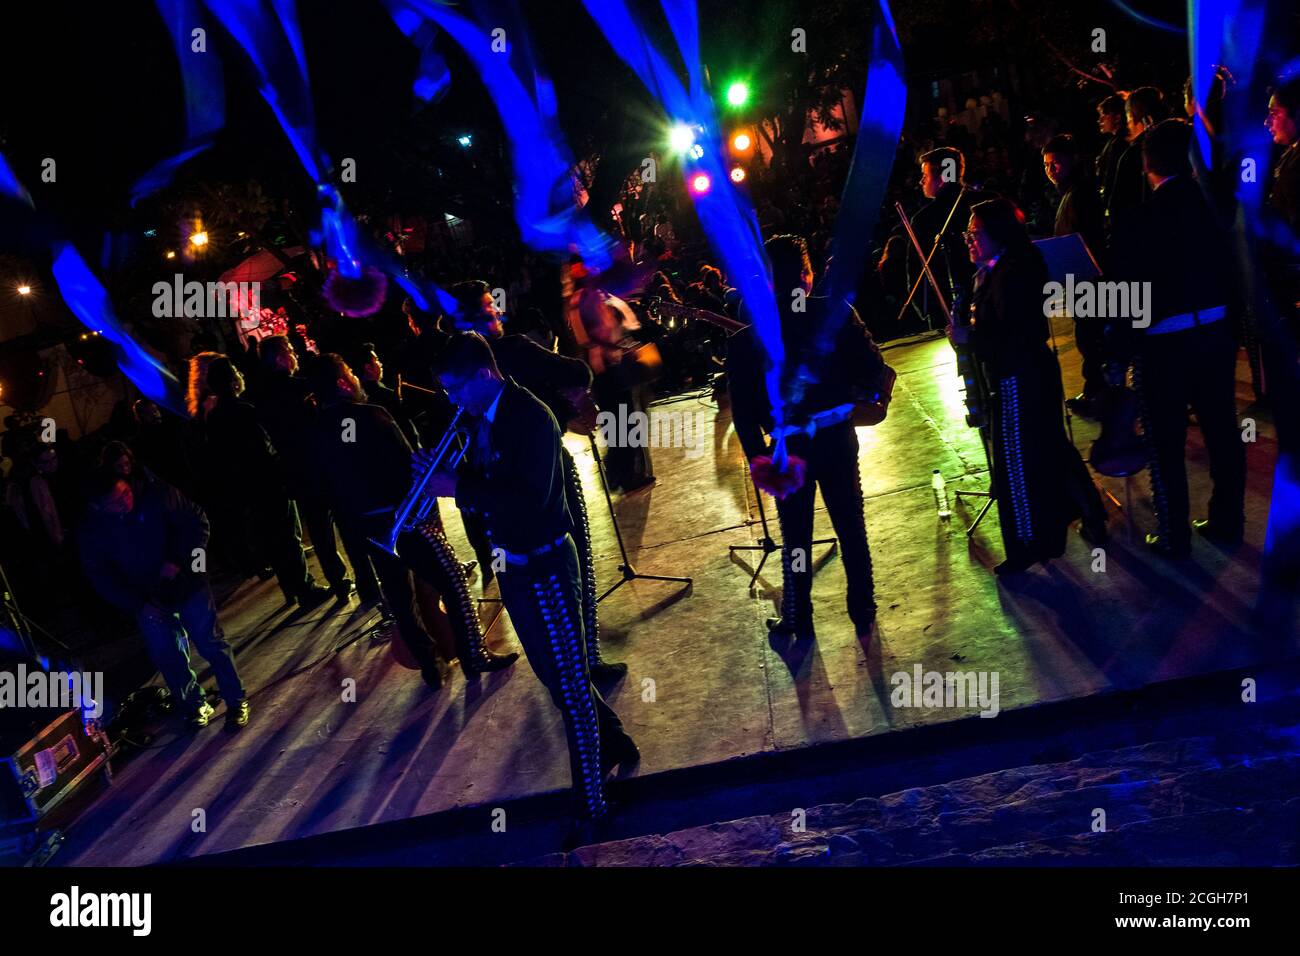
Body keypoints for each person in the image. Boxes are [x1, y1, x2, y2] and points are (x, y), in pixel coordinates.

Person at [426, 332, 638, 825]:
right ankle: (618, 741)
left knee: (568, 683)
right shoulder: (483, 420)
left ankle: (591, 800)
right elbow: (491, 482)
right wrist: (451, 475)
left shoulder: (531, 418)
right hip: (516, 568)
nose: (451, 400)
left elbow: (530, 501)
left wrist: (459, 488)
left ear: (484, 374)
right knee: (555, 678)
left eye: (455, 388)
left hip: (546, 565)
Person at [448, 280, 627, 682]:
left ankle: (562, 663)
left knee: (533, 580)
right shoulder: (511, 349)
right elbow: (579, 372)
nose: (497, 313)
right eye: (490, 309)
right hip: (548, 465)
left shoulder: (458, 365)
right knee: (574, 559)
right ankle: (588, 660)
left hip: (495, 479)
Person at [306, 354, 516, 688]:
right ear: (344, 383)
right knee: (454, 583)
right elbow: (410, 468)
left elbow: (321, 490)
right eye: (350, 372)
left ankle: (430, 665)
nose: (356, 378)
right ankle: (474, 656)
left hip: (367, 529)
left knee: (400, 600)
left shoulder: (315, 433)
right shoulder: (373, 415)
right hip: (405, 523)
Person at [726, 234, 886, 636]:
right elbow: (872, 368)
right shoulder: (836, 314)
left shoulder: (745, 339)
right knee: (851, 526)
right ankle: (862, 609)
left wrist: (757, 459)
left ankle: (799, 616)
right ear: (806, 276)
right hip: (835, 438)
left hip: (786, 449)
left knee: (796, 539)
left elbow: (743, 414)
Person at [1108, 120, 1246, 557]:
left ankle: (1174, 534)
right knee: (1222, 432)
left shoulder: (1139, 218)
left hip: (1165, 342)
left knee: (1165, 442)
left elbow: (1131, 292)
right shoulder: (1215, 204)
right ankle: (1228, 522)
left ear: (1147, 163)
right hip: (1214, 331)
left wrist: (1119, 347)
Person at [951, 199, 1107, 574]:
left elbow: (1012, 331)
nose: (970, 241)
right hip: (1022, 373)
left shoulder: (1016, 270)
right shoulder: (996, 268)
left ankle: (1028, 546)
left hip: (1019, 376)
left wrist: (968, 337)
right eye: (968, 234)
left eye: (975, 234)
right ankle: (1085, 512)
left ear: (998, 233)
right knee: (1049, 446)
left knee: (1017, 465)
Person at [79, 468, 249, 730]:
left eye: (124, 494)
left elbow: (198, 522)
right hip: (149, 600)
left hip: (188, 584)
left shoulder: (157, 494)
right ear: (99, 507)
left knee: (210, 643)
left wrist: (183, 563)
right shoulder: (95, 530)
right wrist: (138, 605)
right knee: (167, 655)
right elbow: (100, 576)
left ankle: (236, 701)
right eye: (113, 503)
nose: (123, 502)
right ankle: (194, 705)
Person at [189, 353, 332, 606]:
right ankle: (306, 589)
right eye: (236, 372)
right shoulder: (244, 410)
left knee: (273, 540)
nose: (241, 376)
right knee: (288, 537)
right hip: (268, 483)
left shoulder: (215, 415)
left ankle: (291, 589)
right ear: (232, 381)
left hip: (246, 488)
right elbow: (263, 449)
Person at [252, 335, 362, 603]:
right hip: (321, 464)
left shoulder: (261, 398)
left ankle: (338, 582)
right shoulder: (302, 389)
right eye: (289, 350)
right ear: (280, 358)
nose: (295, 354)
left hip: (296, 471)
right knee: (346, 522)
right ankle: (364, 575)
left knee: (320, 530)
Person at [1042, 133, 1107, 415]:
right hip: (1079, 277)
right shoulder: (1070, 193)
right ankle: (1097, 391)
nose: (1050, 170)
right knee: (1088, 337)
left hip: (1091, 279)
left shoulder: (1081, 193)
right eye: (1046, 165)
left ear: (1072, 161)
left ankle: (1099, 394)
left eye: (1055, 163)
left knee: (1091, 339)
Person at [906, 147, 995, 330]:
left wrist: (928, 310)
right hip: (997, 295)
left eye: (926, 174)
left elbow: (916, 269)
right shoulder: (989, 200)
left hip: (952, 309)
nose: (921, 180)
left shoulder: (924, 219)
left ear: (944, 176)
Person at [1107, 86, 1168, 231]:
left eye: (1128, 119)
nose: (1128, 126)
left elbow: (1118, 205)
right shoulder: (1178, 141)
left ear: (1134, 117)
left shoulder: (1134, 154)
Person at [1094, 94, 1128, 211]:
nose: (1100, 120)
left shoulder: (1118, 144)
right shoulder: (1114, 142)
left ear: (1117, 117)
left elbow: (1110, 177)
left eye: (1104, 115)